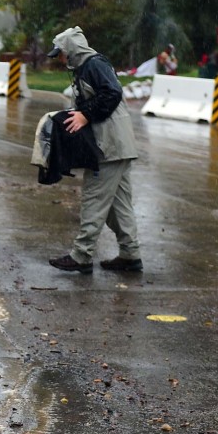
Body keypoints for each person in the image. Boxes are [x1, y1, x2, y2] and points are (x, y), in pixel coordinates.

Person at [44, 26, 143, 274]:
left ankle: (82, 255)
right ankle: (130, 255)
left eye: (61, 54)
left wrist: (85, 115)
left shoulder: (93, 66)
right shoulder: (87, 66)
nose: (60, 59)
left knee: (94, 199)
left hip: (109, 146)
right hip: (119, 145)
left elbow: (112, 93)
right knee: (118, 206)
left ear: (71, 50)